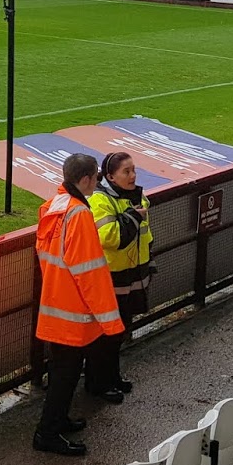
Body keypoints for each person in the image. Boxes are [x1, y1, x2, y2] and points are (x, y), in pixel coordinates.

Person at [32, 153, 125, 457]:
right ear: (85, 179)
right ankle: (47, 433)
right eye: (96, 177)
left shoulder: (53, 206)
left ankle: (57, 421)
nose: (97, 182)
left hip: (55, 305)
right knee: (65, 375)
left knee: (63, 371)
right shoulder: (79, 214)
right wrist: (110, 321)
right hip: (74, 312)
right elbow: (90, 273)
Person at [89, 151, 153, 398]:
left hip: (131, 276)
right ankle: (99, 384)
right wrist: (134, 216)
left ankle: (112, 378)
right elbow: (111, 238)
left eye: (133, 170)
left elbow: (144, 236)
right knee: (107, 335)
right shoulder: (100, 200)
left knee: (120, 332)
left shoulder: (136, 196)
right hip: (112, 279)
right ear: (110, 177)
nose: (133, 175)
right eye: (126, 171)